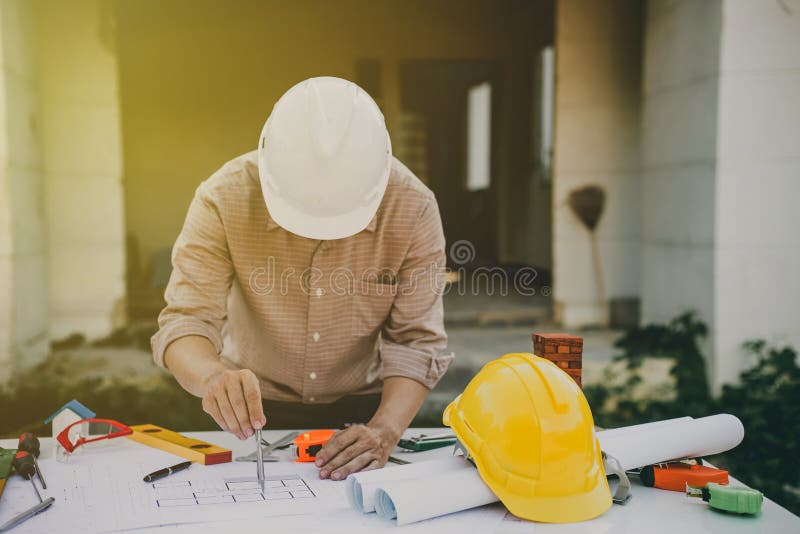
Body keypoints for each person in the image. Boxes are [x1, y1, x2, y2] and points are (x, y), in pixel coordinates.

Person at [151, 77, 452, 480]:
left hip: (366, 412)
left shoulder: (412, 207)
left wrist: (385, 430)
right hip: (247, 409)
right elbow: (185, 320)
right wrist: (211, 377)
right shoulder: (224, 197)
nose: (318, 233)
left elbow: (416, 341)